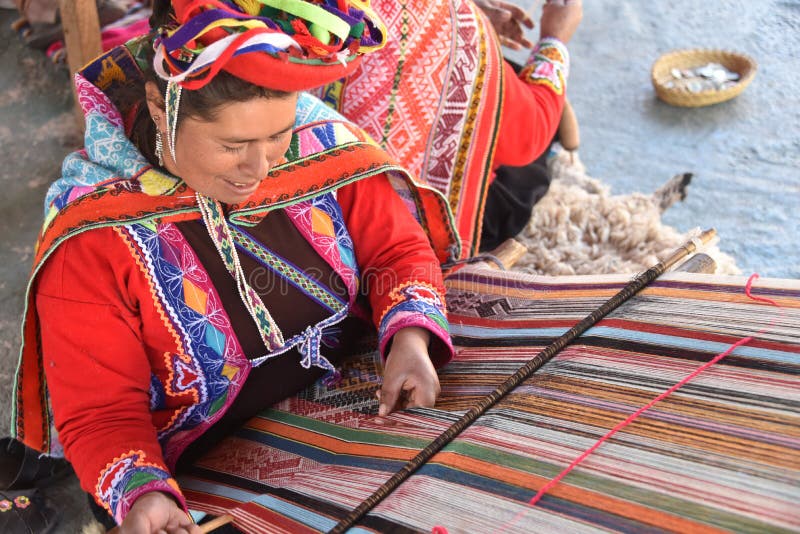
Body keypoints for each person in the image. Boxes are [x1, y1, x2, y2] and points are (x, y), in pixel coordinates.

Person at [10, 0, 459, 531]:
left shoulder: (320, 146)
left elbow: (396, 252)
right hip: (205, 481)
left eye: (277, 134)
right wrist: (144, 497)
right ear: (160, 108)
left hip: (355, 406)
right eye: (234, 145)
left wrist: (408, 335)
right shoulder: (93, 238)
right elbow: (102, 413)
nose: (262, 166)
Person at [312, 0, 583, 256]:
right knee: (529, 165)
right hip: (402, 246)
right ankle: (549, 101)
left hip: (309, 209)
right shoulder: (458, 23)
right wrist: (554, 41)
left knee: (491, 80)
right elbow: (528, 139)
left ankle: (536, 92)